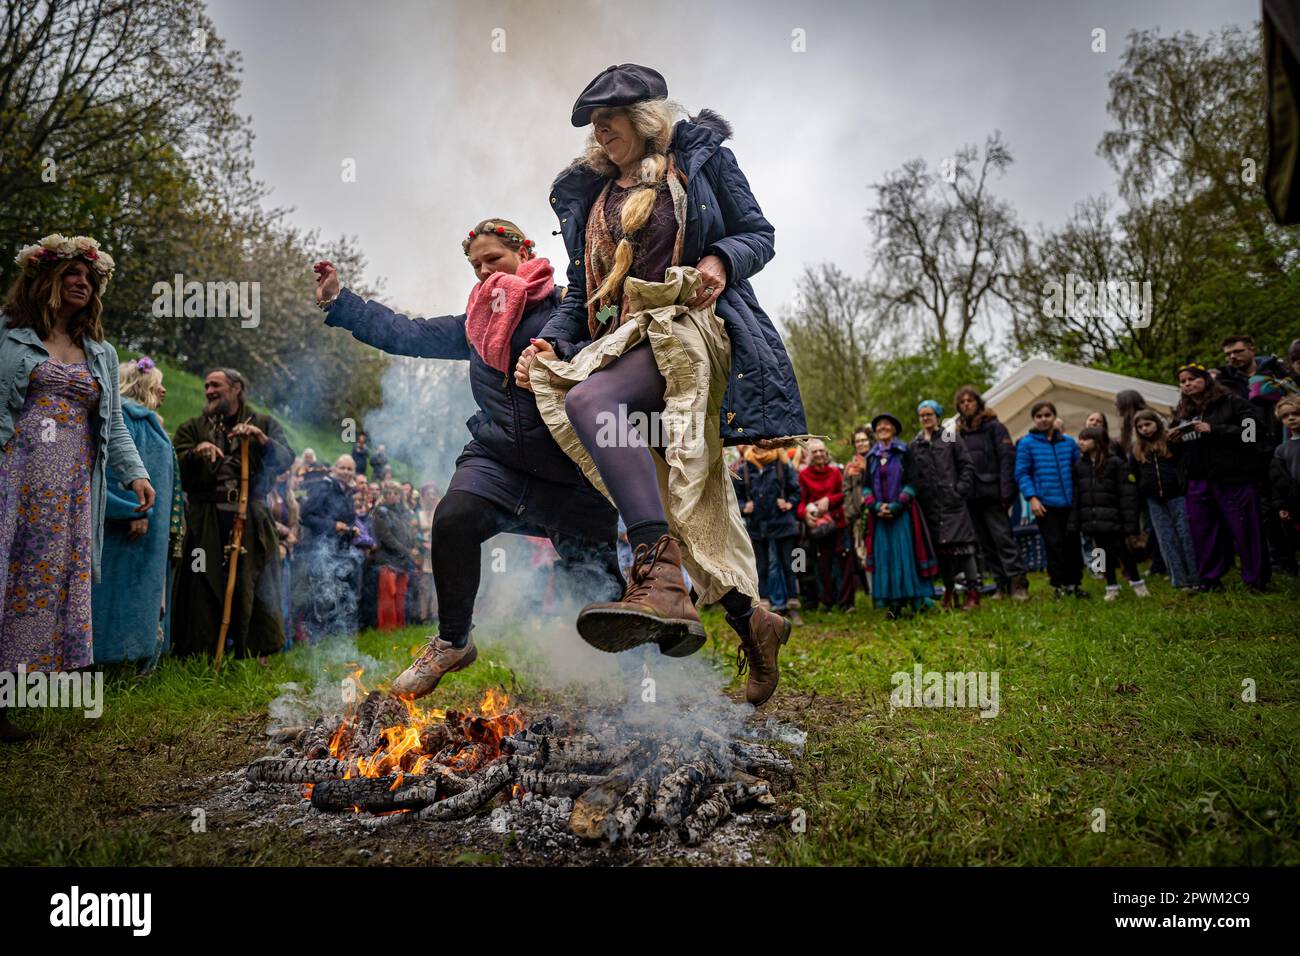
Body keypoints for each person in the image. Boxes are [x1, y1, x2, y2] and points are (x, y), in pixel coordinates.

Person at [516, 65, 807, 706]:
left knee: (589, 400)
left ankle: (659, 578)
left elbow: (760, 233)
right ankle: (755, 624)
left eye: (610, 116)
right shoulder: (592, 193)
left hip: (687, 329)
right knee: (680, 501)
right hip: (617, 343)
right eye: (593, 121)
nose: (599, 128)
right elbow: (580, 292)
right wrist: (554, 341)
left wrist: (719, 258)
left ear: (646, 117)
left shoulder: (701, 161)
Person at [314, 217, 623, 698]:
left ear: (524, 252)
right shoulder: (476, 324)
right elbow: (409, 334)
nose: (483, 272)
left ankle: (639, 682)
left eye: (493, 260)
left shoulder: (570, 306)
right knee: (454, 517)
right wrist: (342, 303)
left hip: (569, 466)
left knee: (602, 585)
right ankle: (453, 641)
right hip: (497, 457)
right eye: (476, 265)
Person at [1, 235, 155, 741]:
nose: (81, 284)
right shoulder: (9, 336)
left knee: (41, 587)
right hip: (13, 478)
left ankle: (13, 694)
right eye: (72, 274)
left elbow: (110, 425)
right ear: (44, 279)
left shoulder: (102, 354)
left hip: (68, 491)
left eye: (89, 279)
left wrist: (136, 474)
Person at [171, 368, 294, 659]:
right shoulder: (192, 427)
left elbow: (287, 457)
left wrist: (262, 440)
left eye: (216, 385)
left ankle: (253, 652)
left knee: (252, 581)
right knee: (202, 580)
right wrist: (195, 452)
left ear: (236, 388)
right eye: (206, 386)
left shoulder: (263, 422)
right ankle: (201, 653)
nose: (209, 391)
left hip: (250, 516)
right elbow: (174, 462)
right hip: (206, 519)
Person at [91, 357, 181, 670]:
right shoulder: (127, 420)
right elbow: (117, 471)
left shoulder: (147, 422)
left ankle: (136, 656)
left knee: (142, 592)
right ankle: (112, 659)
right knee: (117, 592)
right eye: (159, 382)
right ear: (143, 385)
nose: (164, 389)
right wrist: (132, 510)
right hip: (129, 526)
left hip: (147, 531)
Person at [1171, 363, 1271, 591]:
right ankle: (1210, 579)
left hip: (1233, 477)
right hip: (1197, 480)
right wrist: (1173, 441)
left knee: (1245, 528)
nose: (1187, 384)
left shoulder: (1231, 402)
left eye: (1192, 379)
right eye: (1183, 381)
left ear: (1206, 379)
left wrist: (1215, 429)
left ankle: (1256, 579)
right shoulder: (1182, 412)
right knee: (1203, 531)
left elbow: (1254, 431)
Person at [954, 386, 1028, 600]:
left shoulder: (995, 426)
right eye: (962, 401)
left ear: (978, 403)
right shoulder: (956, 431)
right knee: (985, 544)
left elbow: (1007, 458)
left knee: (1003, 539)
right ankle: (1001, 585)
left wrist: (1006, 492)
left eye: (970, 400)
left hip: (993, 493)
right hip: (970, 496)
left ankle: (1018, 584)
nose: (967, 404)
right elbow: (949, 460)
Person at [862, 413, 937, 618]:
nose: (883, 428)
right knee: (884, 557)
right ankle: (892, 604)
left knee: (904, 556)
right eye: (879, 426)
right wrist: (876, 506)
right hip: (879, 518)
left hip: (903, 515)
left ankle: (914, 600)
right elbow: (866, 486)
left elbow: (914, 482)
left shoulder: (904, 452)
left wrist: (896, 505)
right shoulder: (871, 457)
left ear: (894, 429)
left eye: (887, 425)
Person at [910, 400, 981, 611]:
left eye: (929, 414)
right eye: (922, 415)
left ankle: (973, 593)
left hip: (953, 502)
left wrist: (959, 490)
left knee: (965, 548)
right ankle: (949, 592)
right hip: (931, 506)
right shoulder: (915, 444)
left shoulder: (949, 436)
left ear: (938, 416)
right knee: (943, 551)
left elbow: (966, 465)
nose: (926, 418)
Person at [1016, 400, 1086, 598]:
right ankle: (1058, 586)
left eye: (1047, 415)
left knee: (1072, 544)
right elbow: (1022, 473)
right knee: (1054, 545)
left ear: (1054, 417)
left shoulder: (1069, 442)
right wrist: (1032, 498)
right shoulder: (1026, 444)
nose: (1043, 419)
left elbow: (1079, 469)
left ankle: (1075, 584)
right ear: (1034, 419)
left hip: (1070, 503)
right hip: (1045, 504)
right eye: (1039, 416)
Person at [1073, 426, 1147, 601]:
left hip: (1113, 519)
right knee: (1100, 552)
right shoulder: (1079, 466)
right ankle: (1111, 585)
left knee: (1121, 550)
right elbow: (1078, 496)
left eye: (1085, 439)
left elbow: (1127, 495)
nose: (1080, 442)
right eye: (1080, 438)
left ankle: (1138, 583)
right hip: (1093, 520)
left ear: (1097, 441)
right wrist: (1077, 520)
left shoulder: (1115, 463)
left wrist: (1129, 522)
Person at [1130, 409, 1199, 591]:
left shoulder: (1171, 441)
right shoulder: (1136, 450)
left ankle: (1195, 577)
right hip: (1154, 500)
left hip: (1177, 495)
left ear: (1157, 423)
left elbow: (1185, 463)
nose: (1145, 429)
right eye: (1140, 427)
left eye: (1148, 424)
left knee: (1186, 535)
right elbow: (1134, 475)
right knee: (1166, 538)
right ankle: (1179, 580)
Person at [734, 444, 802, 624]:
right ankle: (765, 611)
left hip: (782, 524)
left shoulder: (781, 464)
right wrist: (743, 507)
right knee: (761, 567)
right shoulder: (744, 468)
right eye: (757, 442)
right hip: (758, 526)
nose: (761, 446)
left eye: (765, 443)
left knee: (789, 565)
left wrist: (789, 503)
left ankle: (793, 607)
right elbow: (735, 496)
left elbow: (796, 489)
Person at [796, 440, 855, 611]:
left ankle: (846, 603)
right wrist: (805, 515)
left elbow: (843, 494)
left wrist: (828, 500)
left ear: (826, 452)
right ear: (809, 455)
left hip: (838, 522)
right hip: (819, 528)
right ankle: (828, 602)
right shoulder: (804, 475)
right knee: (823, 565)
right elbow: (800, 502)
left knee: (843, 563)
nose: (819, 454)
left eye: (822, 451)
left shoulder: (836, 472)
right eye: (815, 452)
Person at [369, 481, 418, 631]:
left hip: (402, 560)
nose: (392, 496)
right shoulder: (380, 512)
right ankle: (387, 629)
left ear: (401, 496)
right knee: (388, 595)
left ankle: (400, 627)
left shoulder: (405, 513)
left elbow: (409, 535)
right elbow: (386, 537)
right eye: (389, 493)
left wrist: (412, 548)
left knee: (401, 595)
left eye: (396, 493)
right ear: (384, 495)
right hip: (387, 558)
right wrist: (406, 550)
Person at [1270, 395, 1300, 570]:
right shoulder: (1281, 450)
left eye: (1296, 413)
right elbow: (1279, 481)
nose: (1290, 418)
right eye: (1285, 416)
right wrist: (1282, 506)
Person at [843, 426, 872, 593]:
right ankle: (872, 592)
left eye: (863, 440)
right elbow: (846, 490)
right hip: (858, 516)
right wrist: (851, 513)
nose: (860, 443)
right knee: (863, 554)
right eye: (857, 441)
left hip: (875, 512)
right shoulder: (850, 466)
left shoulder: (876, 458)